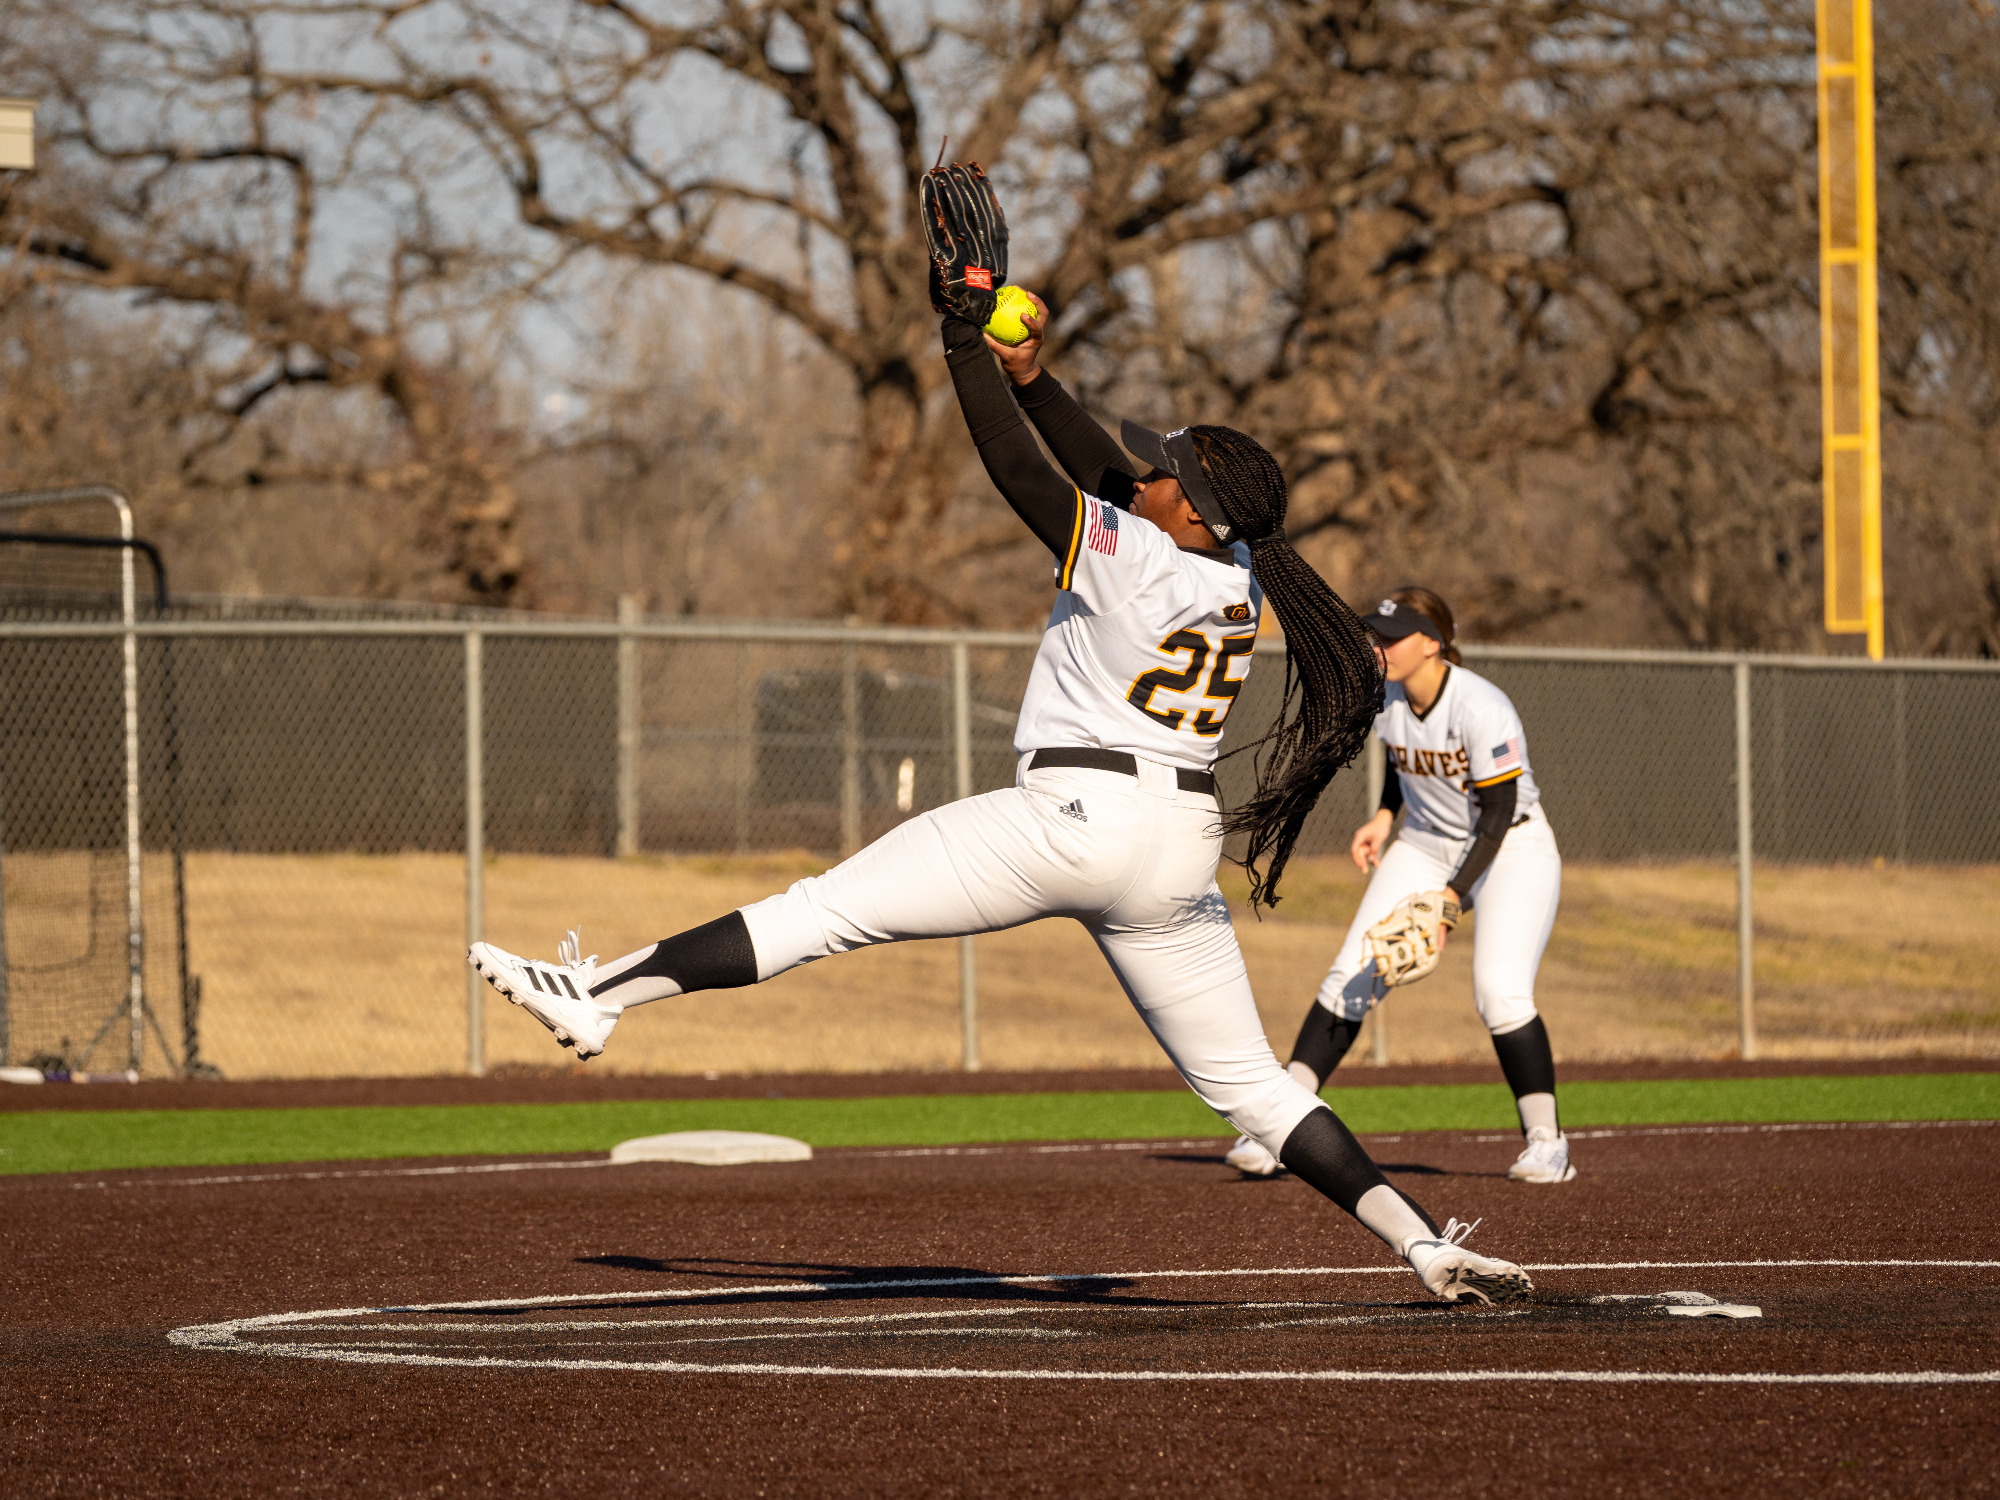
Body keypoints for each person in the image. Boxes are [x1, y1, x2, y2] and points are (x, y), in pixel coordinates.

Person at [468, 292, 1533, 1304]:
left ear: (1190, 509)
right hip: (1172, 845)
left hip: (1069, 819)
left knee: (823, 910)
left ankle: (599, 997)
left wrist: (966, 349)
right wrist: (1033, 379)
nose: (1141, 474)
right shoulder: (1240, 571)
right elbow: (1114, 481)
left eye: (1163, 472)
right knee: (1255, 1087)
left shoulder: (1135, 556)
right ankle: (1422, 1241)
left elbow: (1018, 476)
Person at [1223, 588, 1573, 1183]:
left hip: (1511, 848)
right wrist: (1385, 819)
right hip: (1425, 842)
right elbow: (1401, 764)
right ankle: (1276, 1126)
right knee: (1352, 975)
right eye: (1376, 634)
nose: (1378, 645)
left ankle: (1547, 1142)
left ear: (1433, 644)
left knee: (1500, 992)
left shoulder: (1481, 705)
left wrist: (1450, 901)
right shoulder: (1385, 697)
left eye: (1393, 636)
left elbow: (1495, 813)